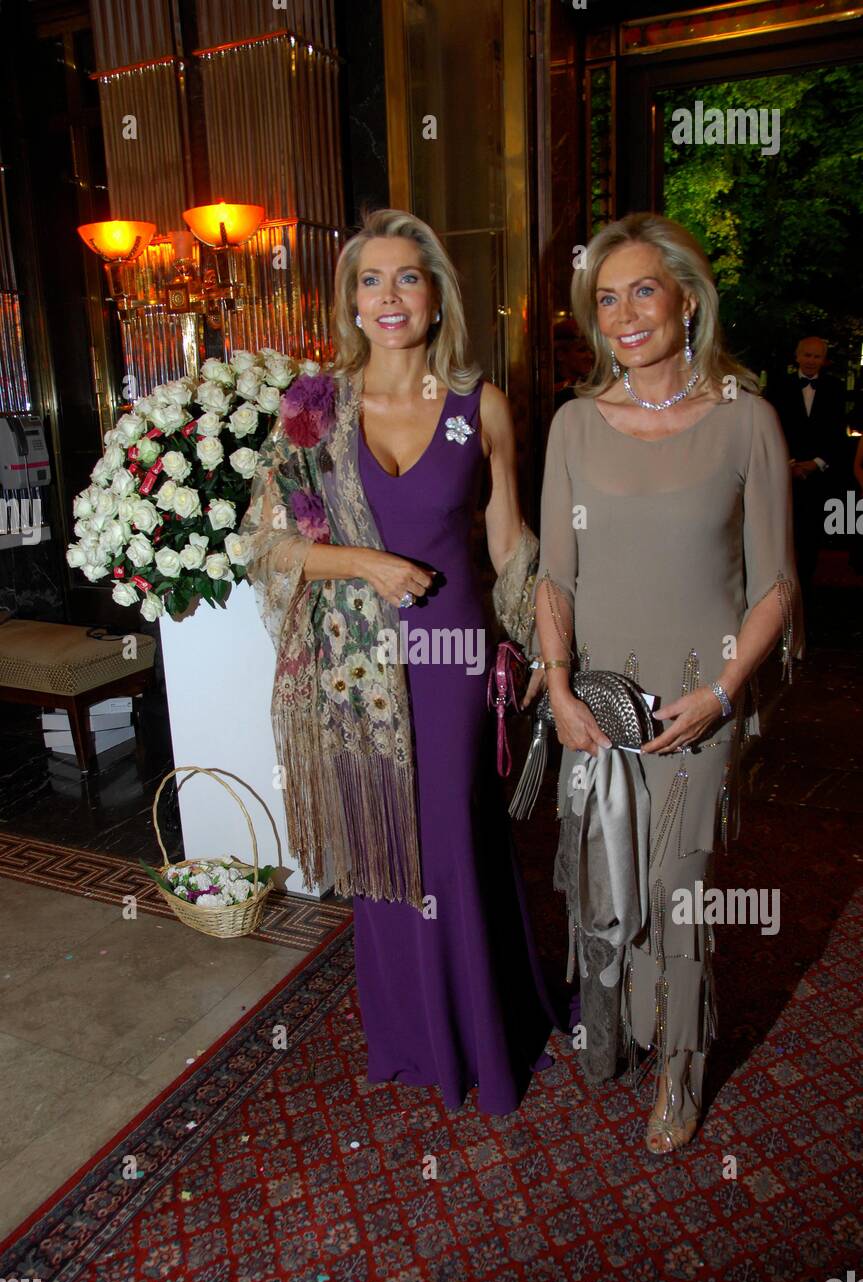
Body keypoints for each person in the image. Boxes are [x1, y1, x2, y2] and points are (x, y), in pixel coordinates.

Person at [240, 208, 563, 1116]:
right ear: (351, 301)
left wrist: (547, 638)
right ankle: (411, 1034)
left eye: (406, 279)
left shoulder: (478, 405)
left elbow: (507, 540)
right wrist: (364, 563)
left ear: (435, 296)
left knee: (453, 839)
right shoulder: (311, 407)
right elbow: (266, 545)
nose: (389, 297)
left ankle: (483, 1034)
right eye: (370, 281)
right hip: (351, 663)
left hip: (453, 653)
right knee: (381, 841)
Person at [533, 212, 801, 1152]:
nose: (624, 315)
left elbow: (773, 585)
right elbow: (554, 578)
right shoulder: (572, 423)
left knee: (678, 885)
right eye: (605, 300)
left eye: (643, 290)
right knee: (607, 878)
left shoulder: (746, 422)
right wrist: (558, 689)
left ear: (686, 297)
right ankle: (622, 1029)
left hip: (699, 701)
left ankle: (678, 1069)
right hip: (596, 704)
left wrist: (725, 693)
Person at [767, 335, 848, 623]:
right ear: (797, 356)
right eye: (808, 355)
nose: (812, 361)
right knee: (782, 536)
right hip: (784, 477)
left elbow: (837, 434)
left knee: (811, 540)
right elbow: (772, 430)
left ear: (823, 360)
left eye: (817, 356)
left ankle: (806, 599)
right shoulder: (778, 388)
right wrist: (788, 464)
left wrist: (815, 464)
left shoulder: (836, 390)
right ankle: (778, 596)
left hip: (818, 478)